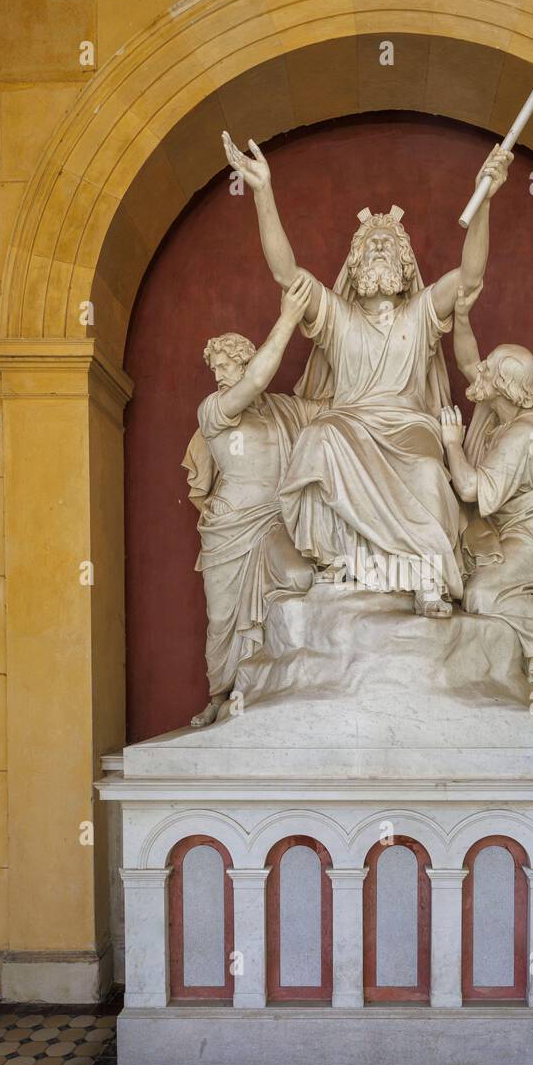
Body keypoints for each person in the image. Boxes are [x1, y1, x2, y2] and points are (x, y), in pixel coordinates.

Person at [221, 131, 512, 617]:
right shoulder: (336, 315)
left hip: (409, 427)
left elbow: (471, 275)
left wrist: (484, 201)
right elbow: (285, 273)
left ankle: (426, 579)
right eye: (370, 247)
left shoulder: (421, 313)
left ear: (404, 265)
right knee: (318, 438)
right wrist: (263, 193)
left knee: (424, 471)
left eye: (389, 246)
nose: (380, 250)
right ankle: (341, 563)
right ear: (354, 266)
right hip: (351, 423)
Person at [439, 284, 533, 725]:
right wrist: (463, 317)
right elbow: (470, 362)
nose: (478, 374)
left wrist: (452, 443)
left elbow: (470, 489)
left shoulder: (522, 435)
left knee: (480, 596)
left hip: (531, 540)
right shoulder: (501, 410)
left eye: (489, 373)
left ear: (503, 387)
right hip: (501, 534)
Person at [183, 275, 319, 727]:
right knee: (222, 621)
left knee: (300, 576)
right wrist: (288, 318)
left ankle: (268, 680)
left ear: (244, 362)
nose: (219, 375)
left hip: (274, 522)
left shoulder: (284, 409)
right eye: (215, 368)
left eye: (226, 365)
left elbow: (340, 409)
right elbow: (259, 377)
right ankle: (219, 694)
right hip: (228, 530)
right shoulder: (213, 410)